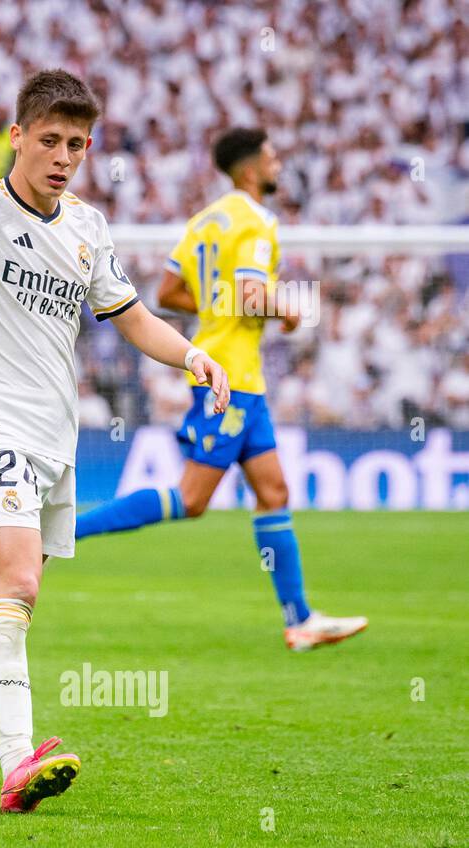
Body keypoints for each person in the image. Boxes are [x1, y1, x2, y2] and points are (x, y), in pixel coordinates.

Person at [0, 31, 230, 810]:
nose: (63, 155)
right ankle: (17, 762)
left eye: (76, 143)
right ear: (16, 137)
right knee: (21, 583)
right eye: (49, 140)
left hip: (53, 438)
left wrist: (191, 356)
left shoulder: (87, 227)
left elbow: (133, 317)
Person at [74, 128, 368, 652]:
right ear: (251, 169)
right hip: (228, 377)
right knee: (192, 499)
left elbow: (168, 291)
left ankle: (299, 618)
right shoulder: (258, 221)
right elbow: (255, 292)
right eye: (273, 157)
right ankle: (68, 532)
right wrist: (289, 310)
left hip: (234, 373)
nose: (279, 165)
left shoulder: (202, 221)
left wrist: (217, 306)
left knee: (273, 491)